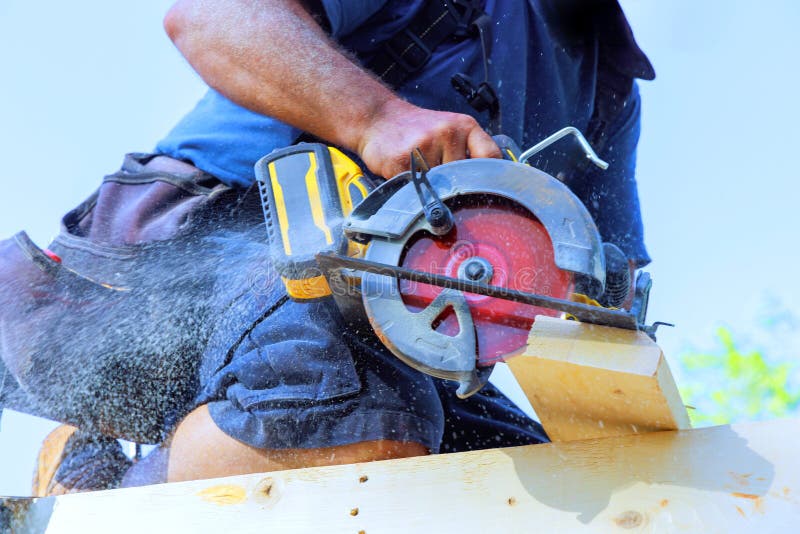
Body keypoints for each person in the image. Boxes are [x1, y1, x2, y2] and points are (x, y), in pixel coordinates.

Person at [5, 0, 655, 493]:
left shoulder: (606, 80)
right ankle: (92, 497)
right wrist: (378, 119)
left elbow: (602, 285)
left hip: (394, 331)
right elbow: (210, 17)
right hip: (175, 260)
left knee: (540, 484)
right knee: (358, 415)